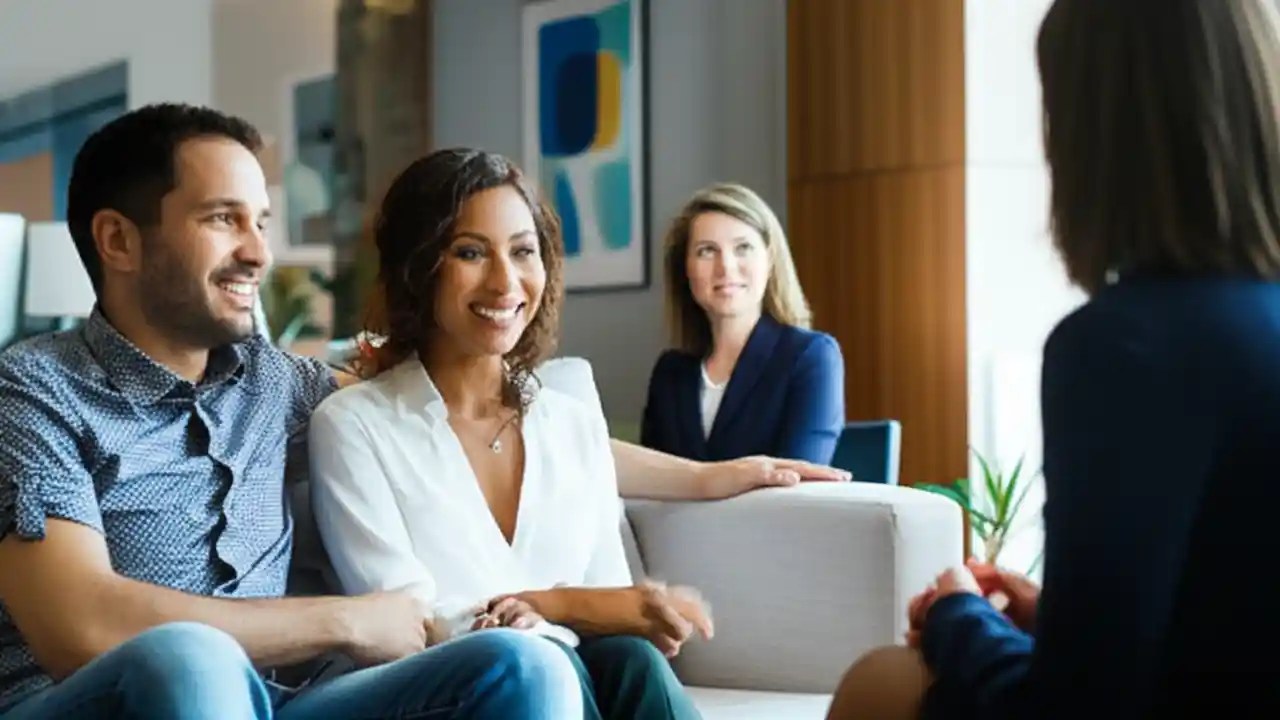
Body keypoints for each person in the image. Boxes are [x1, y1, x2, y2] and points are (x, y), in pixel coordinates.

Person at [0, 104, 584, 719]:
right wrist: (343, 620)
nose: (259, 253)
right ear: (118, 240)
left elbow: (470, 423)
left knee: (517, 664)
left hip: (279, 703)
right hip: (85, 701)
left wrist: (693, 474)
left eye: (262, 223)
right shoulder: (34, 390)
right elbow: (80, 628)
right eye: (224, 218)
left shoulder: (273, 381)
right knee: (191, 659)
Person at [827, 0, 1280, 717]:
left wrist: (956, 618)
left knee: (879, 684)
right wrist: (1055, 616)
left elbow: (1075, 704)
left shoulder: (1125, 347)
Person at [308, 148, 710, 720]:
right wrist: (560, 612)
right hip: (452, 693)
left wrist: (554, 607)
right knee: (547, 660)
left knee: (632, 659)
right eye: (470, 252)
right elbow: (409, 619)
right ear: (417, 268)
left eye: (524, 251)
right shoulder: (354, 424)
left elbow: (612, 604)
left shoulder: (570, 422)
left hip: (578, 674)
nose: (505, 281)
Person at [639, 183, 845, 467]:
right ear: (685, 268)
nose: (726, 267)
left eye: (743, 248)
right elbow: (650, 485)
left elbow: (796, 481)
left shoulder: (810, 356)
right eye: (706, 251)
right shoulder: (670, 373)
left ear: (770, 260)